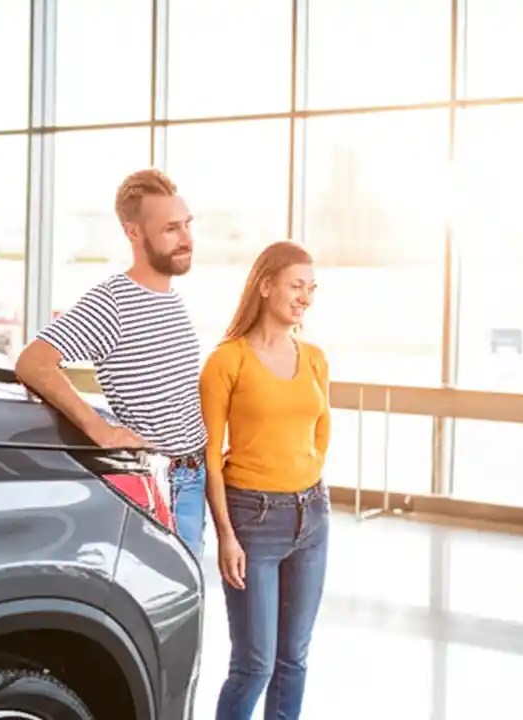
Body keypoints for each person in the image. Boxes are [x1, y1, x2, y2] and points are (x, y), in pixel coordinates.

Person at [14, 168, 209, 557]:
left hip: (194, 478)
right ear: (133, 233)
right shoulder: (113, 301)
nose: (187, 238)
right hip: (158, 486)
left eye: (187, 225)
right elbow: (33, 363)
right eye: (172, 229)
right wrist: (101, 430)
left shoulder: (172, 299)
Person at [199, 240, 331, 720]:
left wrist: (306, 476)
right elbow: (211, 456)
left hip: (312, 515)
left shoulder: (314, 357)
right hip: (253, 520)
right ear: (266, 285)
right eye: (297, 285)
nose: (305, 297)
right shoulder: (226, 360)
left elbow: (322, 428)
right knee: (254, 665)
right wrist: (227, 536)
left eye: (311, 288)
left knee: (293, 660)